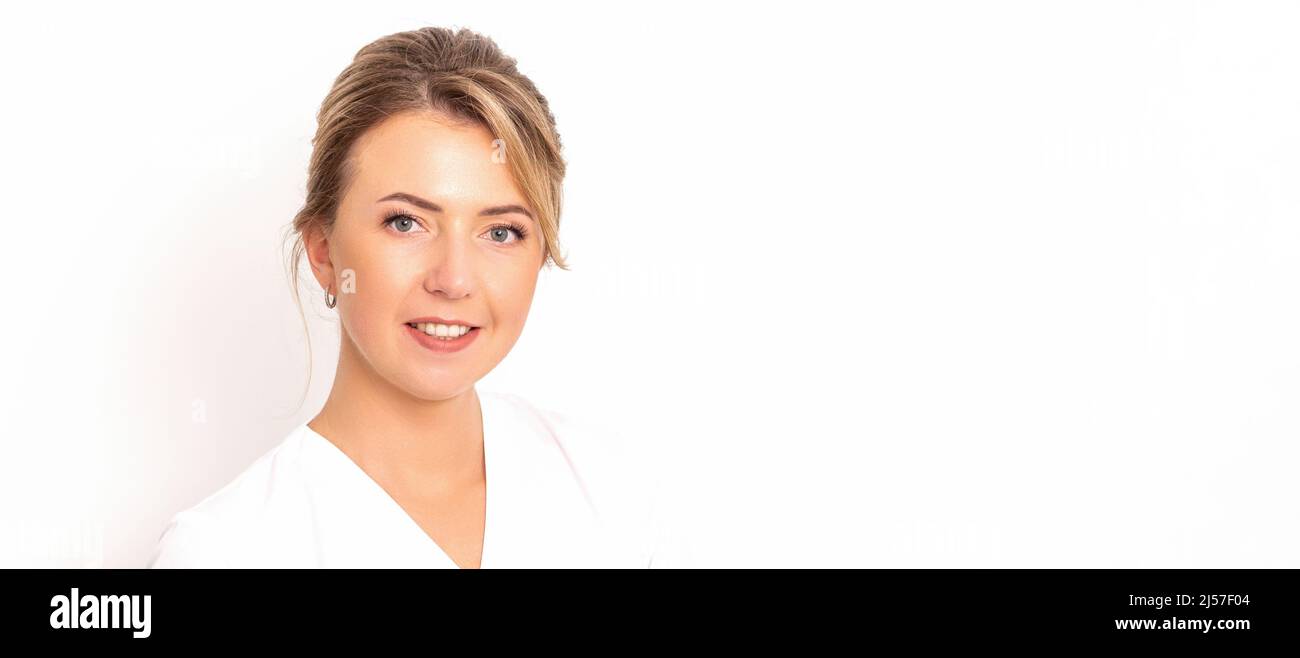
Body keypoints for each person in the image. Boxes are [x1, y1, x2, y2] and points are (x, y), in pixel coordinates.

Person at [148, 26, 692, 568]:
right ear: (324, 252)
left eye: (501, 231)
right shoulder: (226, 550)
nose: (454, 280)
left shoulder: (611, 491)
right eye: (406, 222)